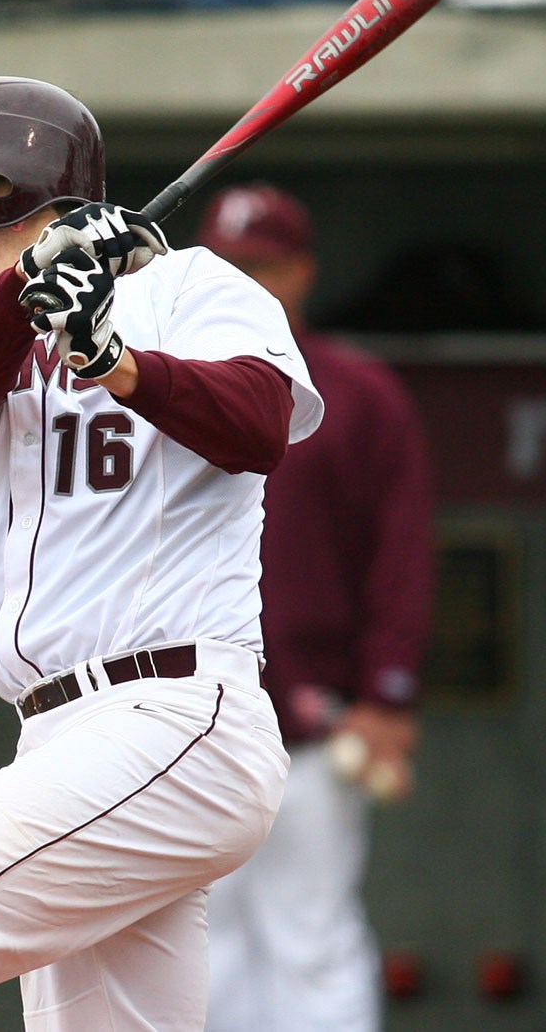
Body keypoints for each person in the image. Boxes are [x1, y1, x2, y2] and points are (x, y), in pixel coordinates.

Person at [0, 75, 323, 1031]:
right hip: (57, 737)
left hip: (176, 713)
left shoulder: (188, 288)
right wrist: (27, 285)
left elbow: (259, 424)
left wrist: (113, 358)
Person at [188, 183, 435, 1032]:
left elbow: (400, 557)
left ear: (302, 272)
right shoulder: (157, 385)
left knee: (310, 940)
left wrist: (388, 693)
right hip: (190, 719)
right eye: (227, 263)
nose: (245, 280)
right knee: (203, 949)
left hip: (319, 726)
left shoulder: (359, 393)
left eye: (263, 265)